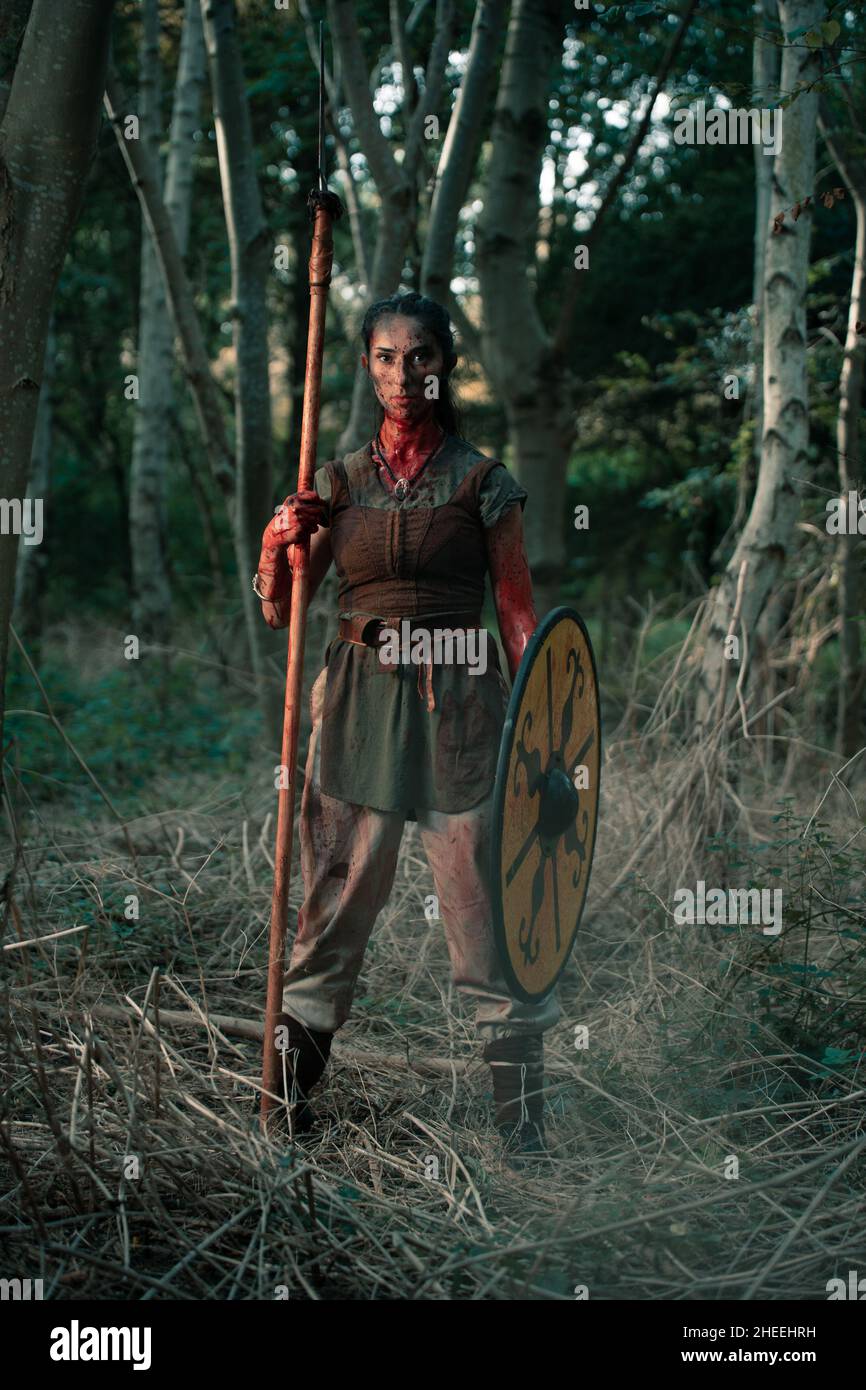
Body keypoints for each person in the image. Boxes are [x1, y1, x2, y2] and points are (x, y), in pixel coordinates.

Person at [254, 291, 560, 1159]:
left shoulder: (483, 481)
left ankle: (524, 1133)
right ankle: (283, 1117)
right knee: (334, 911)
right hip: (356, 706)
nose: (403, 374)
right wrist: (279, 540)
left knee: (481, 920)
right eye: (386, 357)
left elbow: (517, 617)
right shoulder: (336, 482)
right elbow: (281, 614)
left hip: (464, 710)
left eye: (420, 355)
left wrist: (538, 736)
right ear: (366, 366)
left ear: (446, 363)